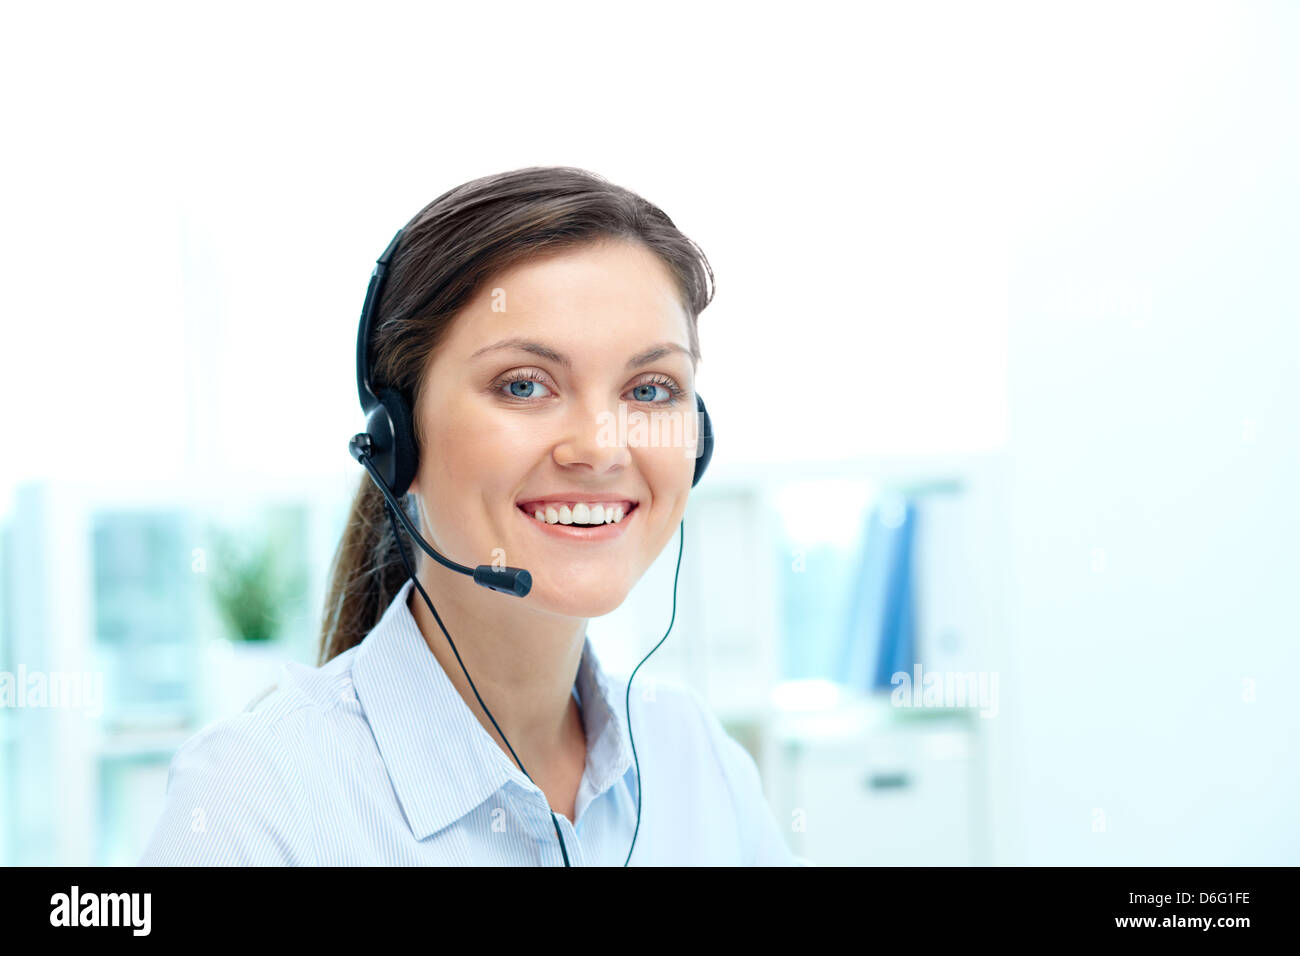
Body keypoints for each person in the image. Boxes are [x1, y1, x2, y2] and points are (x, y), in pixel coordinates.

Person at [139, 166, 802, 866]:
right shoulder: (259, 800)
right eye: (524, 385)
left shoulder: (696, 758)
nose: (602, 448)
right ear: (398, 440)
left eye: (650, 388)